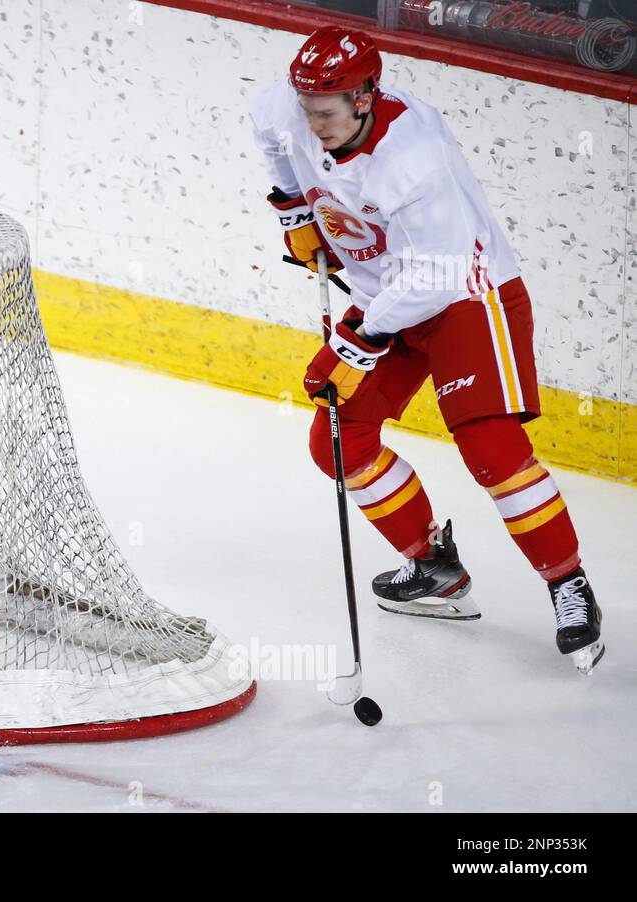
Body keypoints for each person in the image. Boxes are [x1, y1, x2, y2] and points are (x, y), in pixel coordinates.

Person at [249, 26, 604, 671]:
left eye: (325, 113)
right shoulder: (289, 108)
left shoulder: (414, 159)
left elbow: (435, 277)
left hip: (466, 295)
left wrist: (351, 347)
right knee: (338, 440)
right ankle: (433, 569)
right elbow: (274, 142)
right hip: (389, 292)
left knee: (491, 450)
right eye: (306, 108)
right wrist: (297, 216)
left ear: (364, 98)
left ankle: (567, 583)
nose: (311, 123)